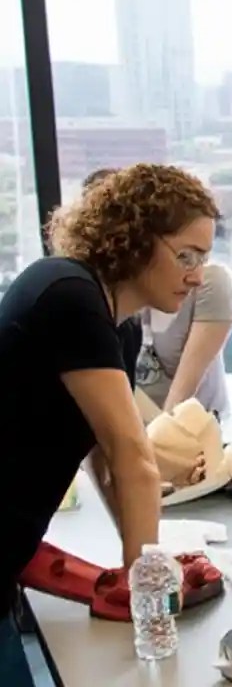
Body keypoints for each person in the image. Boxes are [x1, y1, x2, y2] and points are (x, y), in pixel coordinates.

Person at [0, 164, 218, 686]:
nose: (196, 275)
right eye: (185, 256)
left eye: (204, 260)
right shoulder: (69, 294)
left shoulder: (111, 326)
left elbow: (109, 461)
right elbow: (133, 458)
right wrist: (145, 597)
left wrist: (140, 565)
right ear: (137, 238)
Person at [83, 169, 232, 419]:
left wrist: (160, 438)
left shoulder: (207, 283)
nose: (195, 276)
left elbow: (180, 396)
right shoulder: (93, 302)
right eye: (185, 256)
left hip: (187, 425)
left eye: (199, 257)